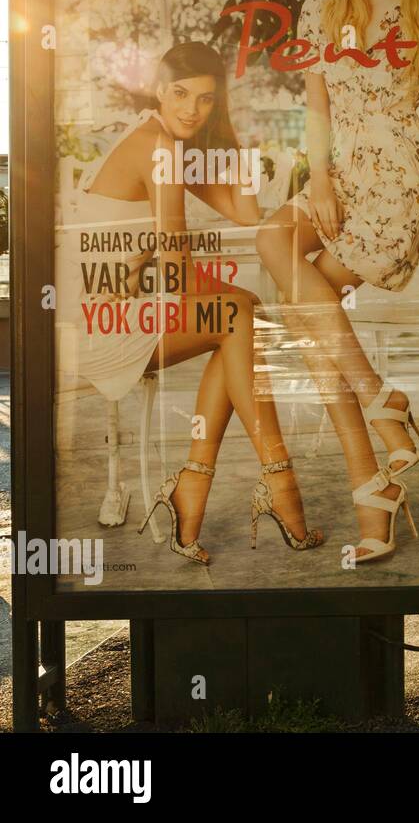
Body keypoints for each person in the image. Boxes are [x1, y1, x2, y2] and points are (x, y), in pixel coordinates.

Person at [56, 42, 322, 564]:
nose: (191, 110)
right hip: (94, 322)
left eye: (205, 100)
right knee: (240, 316)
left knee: (240, 317)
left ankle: (197, 491)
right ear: (159, 90)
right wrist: (240, 302)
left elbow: (245, 212)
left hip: (103, 310)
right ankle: (276, 482)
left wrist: (226, 134)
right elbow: (177, 272)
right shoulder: (157, 146)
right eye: (180, 94)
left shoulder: (168, 141)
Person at [256, 0, 419, 563]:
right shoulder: (321, 6)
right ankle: (379, 414)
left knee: (305, 314)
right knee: (273, 240)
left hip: (399, 179)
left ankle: (373, 482)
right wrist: (318, 179)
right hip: (340, 175)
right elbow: (316, 108)